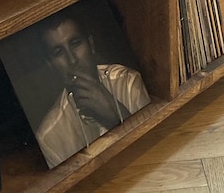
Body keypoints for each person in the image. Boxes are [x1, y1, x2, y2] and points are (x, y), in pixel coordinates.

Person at [34, 15, 150, 168]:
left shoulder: (128, 82)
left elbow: (149, 150)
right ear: (51, 65)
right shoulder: (49, 137)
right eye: (59, 52)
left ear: (91, 44)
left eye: (75, 44)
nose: (72, 60)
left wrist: (114, 116)